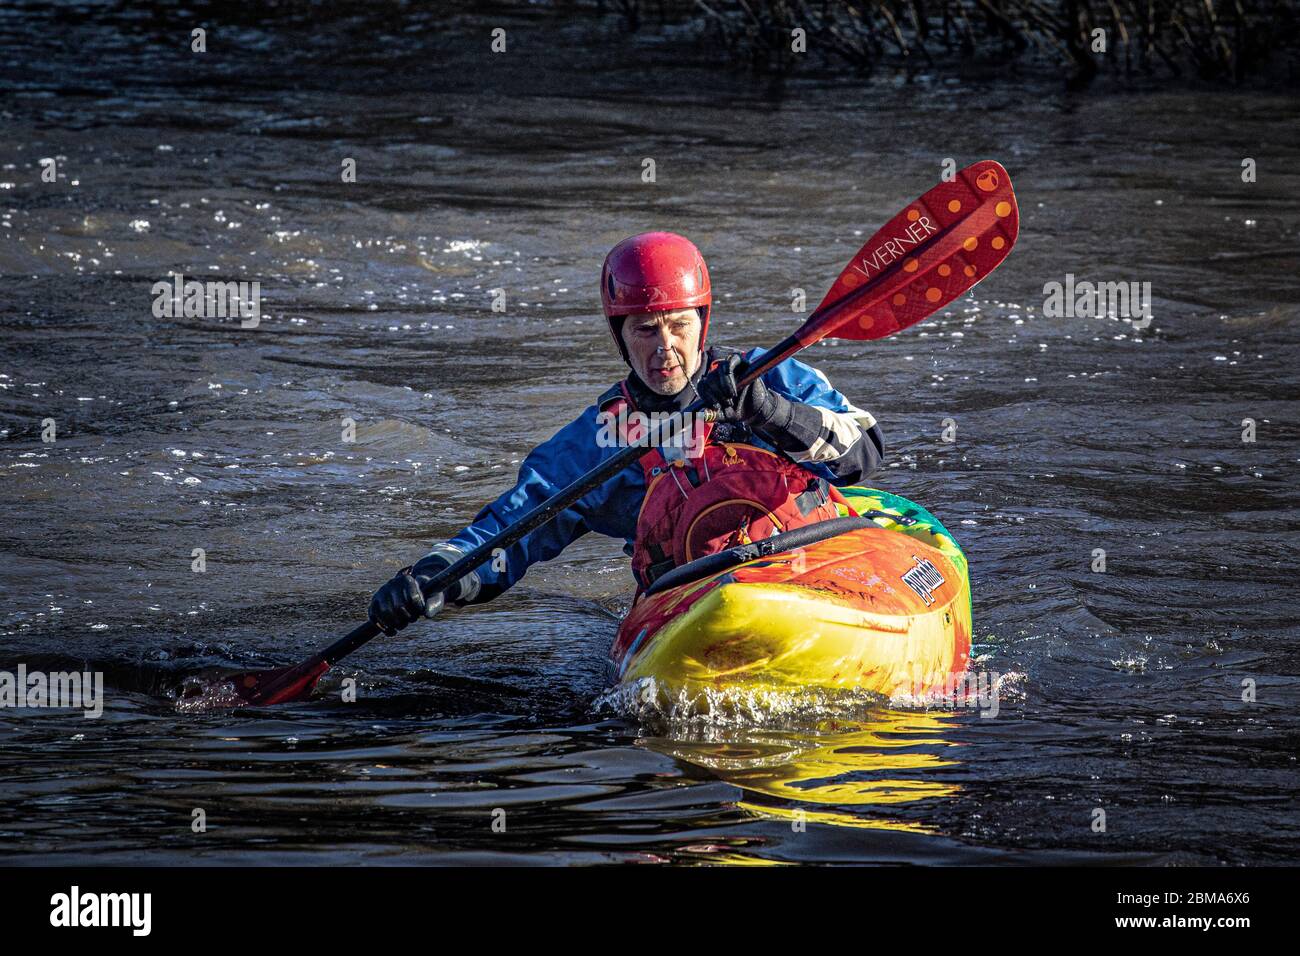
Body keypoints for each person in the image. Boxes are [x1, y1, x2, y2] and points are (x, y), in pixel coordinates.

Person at [368, 231, 885, 635]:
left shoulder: (771, 377)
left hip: (816, 558)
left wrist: (768, 411)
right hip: (695, 595)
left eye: (679, 326)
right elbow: (511, 528)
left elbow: (863, 454)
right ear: (620, 335)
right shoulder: (600, 440)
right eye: (645, 329)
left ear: (702, 323)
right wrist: (437, 575)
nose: (665, 347)